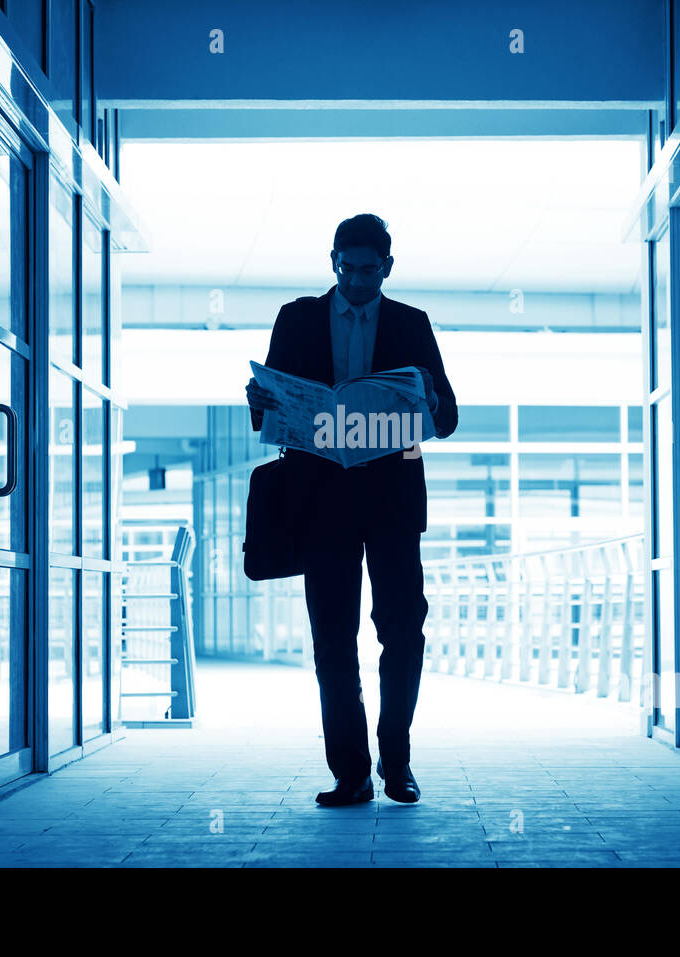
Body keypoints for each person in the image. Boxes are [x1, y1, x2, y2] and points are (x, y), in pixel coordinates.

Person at [246, 213, 458, 805]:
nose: (356, 280)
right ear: (332, 261)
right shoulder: (297, 318)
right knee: (332, 639)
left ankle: (398, 762)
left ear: (387, 267)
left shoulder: (411, 325)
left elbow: (447, 419)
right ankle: (351, 773)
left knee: (403, 631)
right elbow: (271, 410)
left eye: (368, 270)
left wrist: (430, 398)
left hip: (391, 498)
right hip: (321, 501)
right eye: (346, 268)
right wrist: (260, 401)